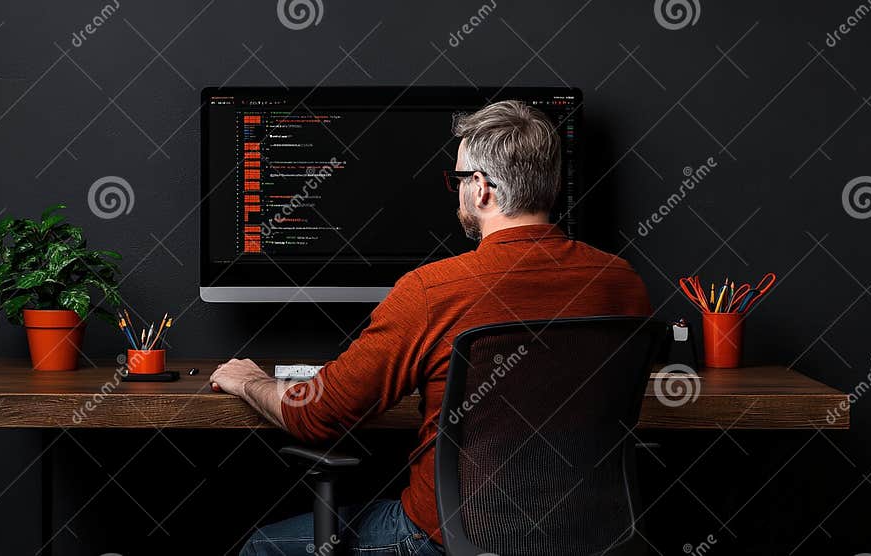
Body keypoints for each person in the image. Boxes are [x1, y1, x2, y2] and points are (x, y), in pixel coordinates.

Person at [211, 100, 652, 555]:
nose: (457, 190)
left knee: (262, 545)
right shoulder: (623, 283)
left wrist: (250, 381)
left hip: (449, 540)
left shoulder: (432, 291)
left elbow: (316, 415)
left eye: (459, 179)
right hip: (596, 538)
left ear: (481, 188)